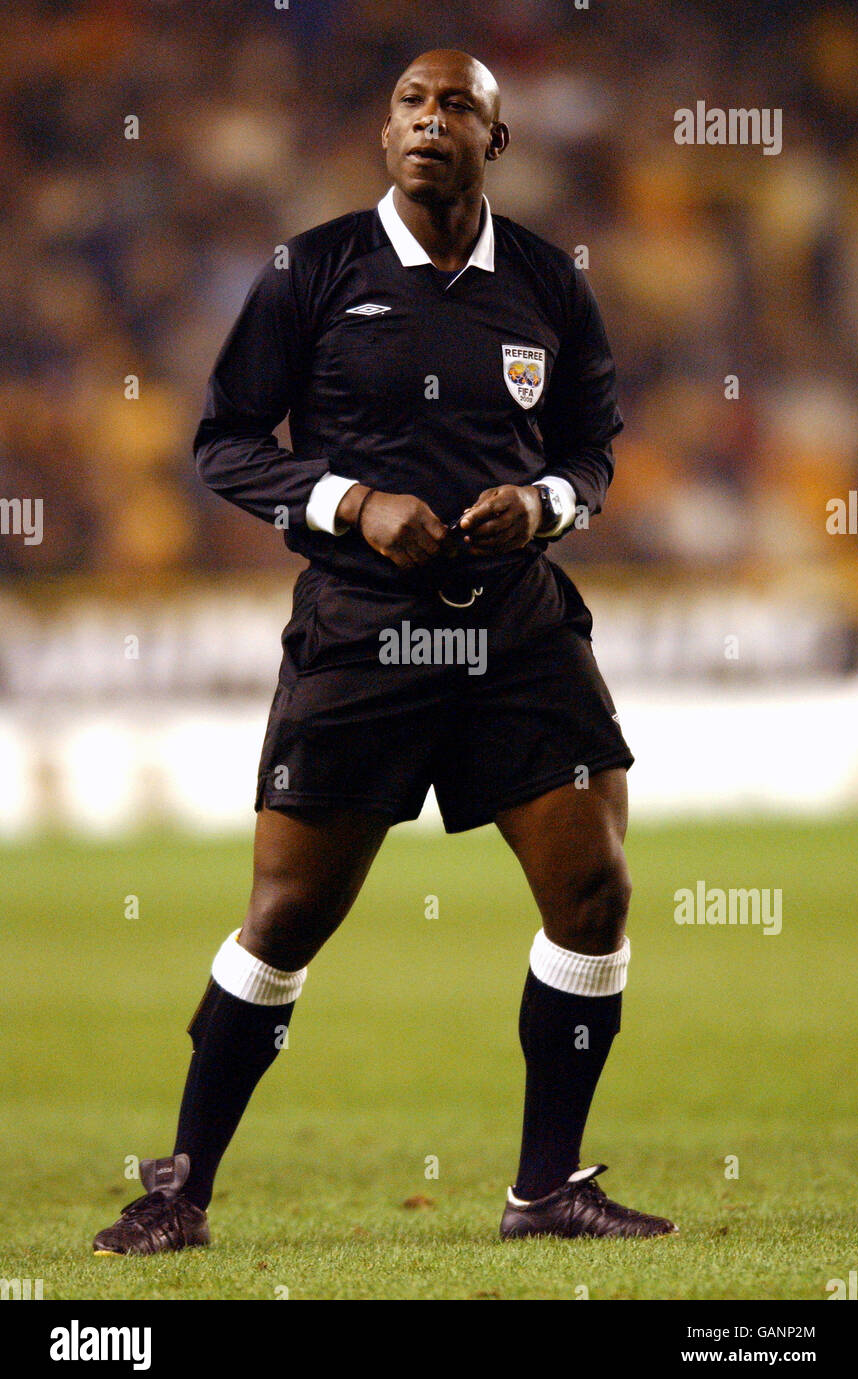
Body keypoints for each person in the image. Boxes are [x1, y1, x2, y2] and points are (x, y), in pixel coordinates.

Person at [93, 48, 676, 1255]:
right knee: (287, 913)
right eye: (410, 103)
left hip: (514, 628)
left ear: (493, 143)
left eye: (456, 105)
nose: (429, 120)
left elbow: (592, 446)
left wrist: (547, 505)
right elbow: (226, 441)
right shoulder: (308, 270)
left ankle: (544, 1190)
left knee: (594, 890)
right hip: (362, 631)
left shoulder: (548, 286)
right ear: (383, 135)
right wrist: (353, 503)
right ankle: (179, 1195)